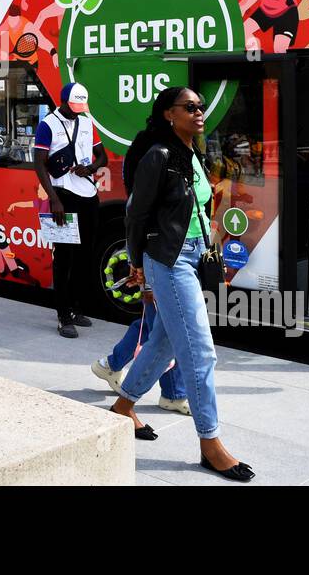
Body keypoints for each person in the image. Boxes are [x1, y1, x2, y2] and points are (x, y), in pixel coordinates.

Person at [110, 85, 255, 482]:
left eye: (201, 107)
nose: (199, 112)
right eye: (189, 107)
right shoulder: (157, 156)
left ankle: (122, 409)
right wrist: (139, 265)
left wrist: (210, 242)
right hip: (167, 260)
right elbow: (135, 215)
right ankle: (210, 444)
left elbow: (197, 206)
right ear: (168, 114)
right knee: (200, 351)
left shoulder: (191, 152)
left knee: (165, 342)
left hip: (193, 254)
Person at [91, 119, 190, 415]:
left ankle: (114, 365)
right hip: (160, 259)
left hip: (170, 258)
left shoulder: (167, 164)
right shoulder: (157, 168)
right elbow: (140, 222)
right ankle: (153, 390)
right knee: (170, 326)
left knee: (162, 325)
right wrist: (140, 266)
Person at [33, 81, 108, 337]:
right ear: (64, 101)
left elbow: (103, 156)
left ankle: (77, 308)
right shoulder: (48, 125)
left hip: (88, 194)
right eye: (73, 105)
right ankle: (63, 315)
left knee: (85, 255)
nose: (77, 110)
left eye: (80, 106)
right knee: (64, 257)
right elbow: (40, 163)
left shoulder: (87, 122)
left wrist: (91, 168)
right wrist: (54, 198)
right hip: (63, 196)